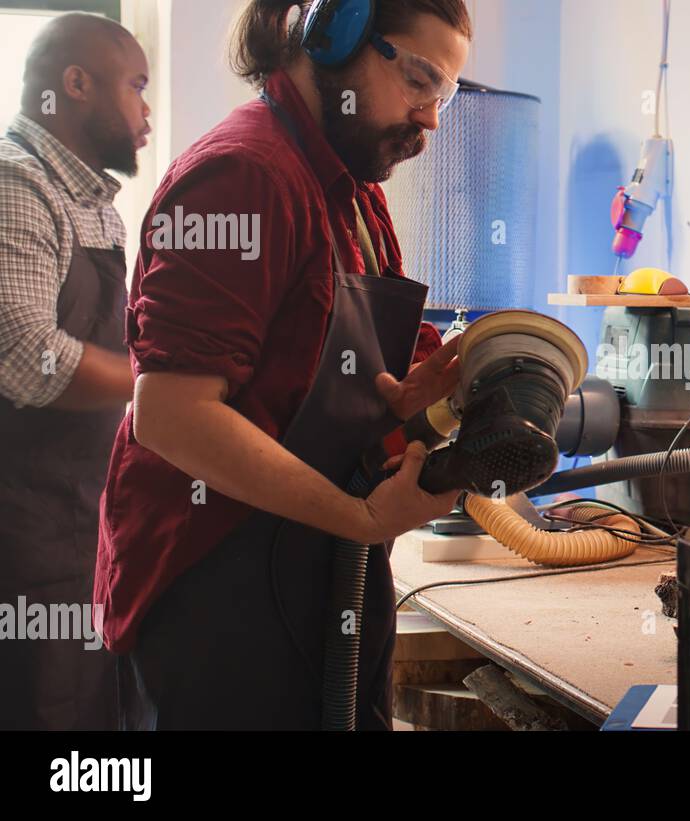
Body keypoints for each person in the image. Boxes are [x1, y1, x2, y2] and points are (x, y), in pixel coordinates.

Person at [96, 0, 472, 730]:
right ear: (332, 35)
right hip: (219, 593)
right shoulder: (242, 176)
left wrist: (400, 398)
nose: (430, 118)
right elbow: (173, 415)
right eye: (420, 80)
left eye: (443, 97)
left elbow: (300, 375)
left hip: (319, 566)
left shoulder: (350, 186)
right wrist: (359, 516)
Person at [0, 12, 150, 730]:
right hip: (23, 540)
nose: (146, 109)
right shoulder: (15, 185)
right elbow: (27, 355)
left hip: (82, 527)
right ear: (77, 85)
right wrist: (163, 388)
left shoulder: (92, 203)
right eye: (136, 87)